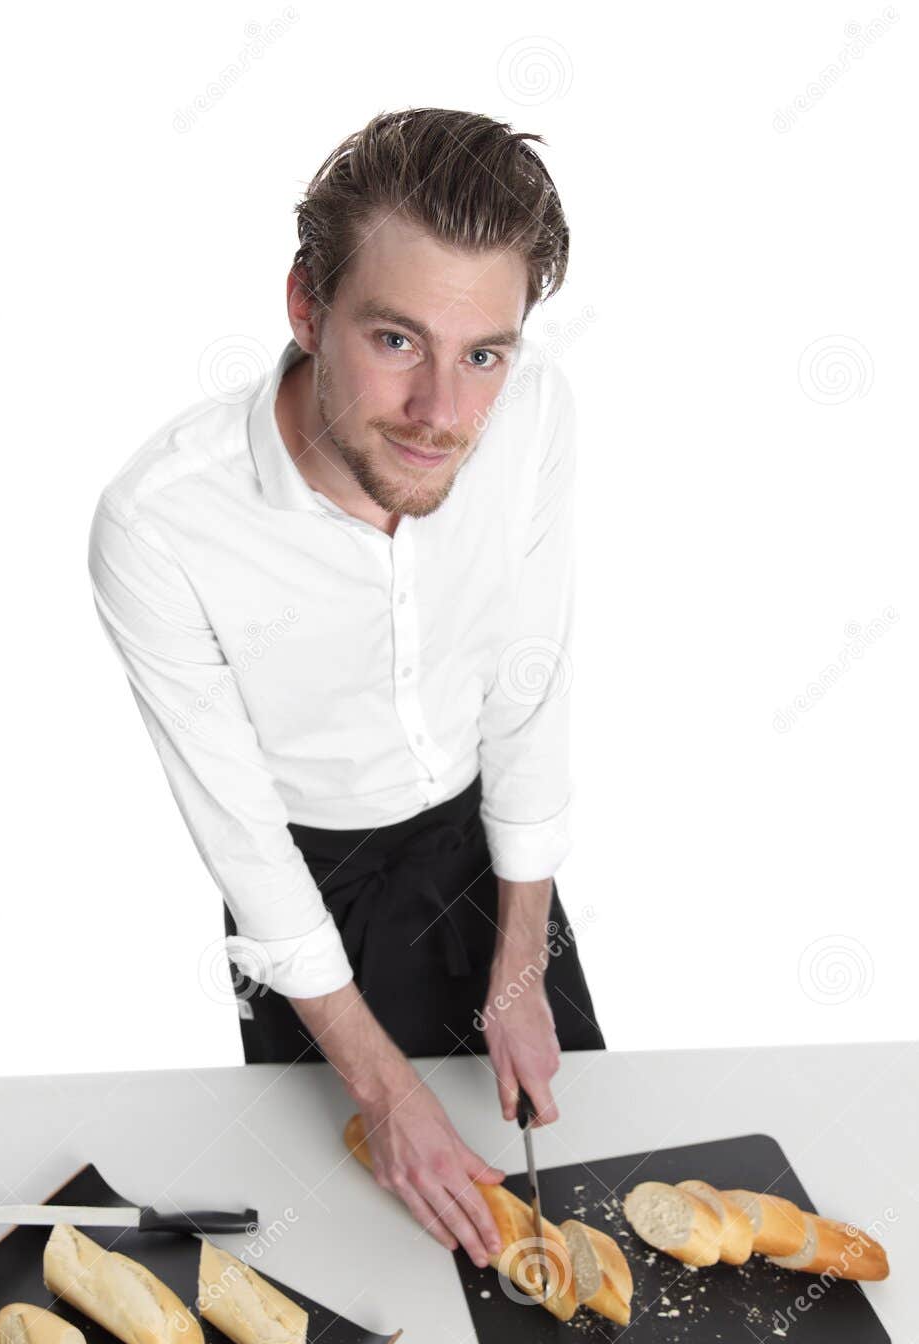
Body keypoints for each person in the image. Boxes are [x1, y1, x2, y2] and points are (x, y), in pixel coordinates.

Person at [87, 106, 605, 1274]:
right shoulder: (160, 525)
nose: (441, 413)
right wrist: (381, 1087)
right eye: (394, 341)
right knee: (364, 1252)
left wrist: (518, 963)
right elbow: (242, 840)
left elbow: (529, 683)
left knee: (574, 1216)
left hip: (488, 858)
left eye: (482, 353)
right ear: (306, 307)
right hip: (304, 890)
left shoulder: (529, 415)